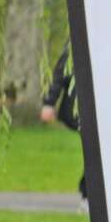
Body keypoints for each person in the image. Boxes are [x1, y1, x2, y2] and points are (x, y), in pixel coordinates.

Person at [37, 45, 88, 207]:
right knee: (96, 152)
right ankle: (88, 196)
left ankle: (92, 195)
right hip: (83, 108)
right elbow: (61, 72)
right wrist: (49, 102)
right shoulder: (80, 39)